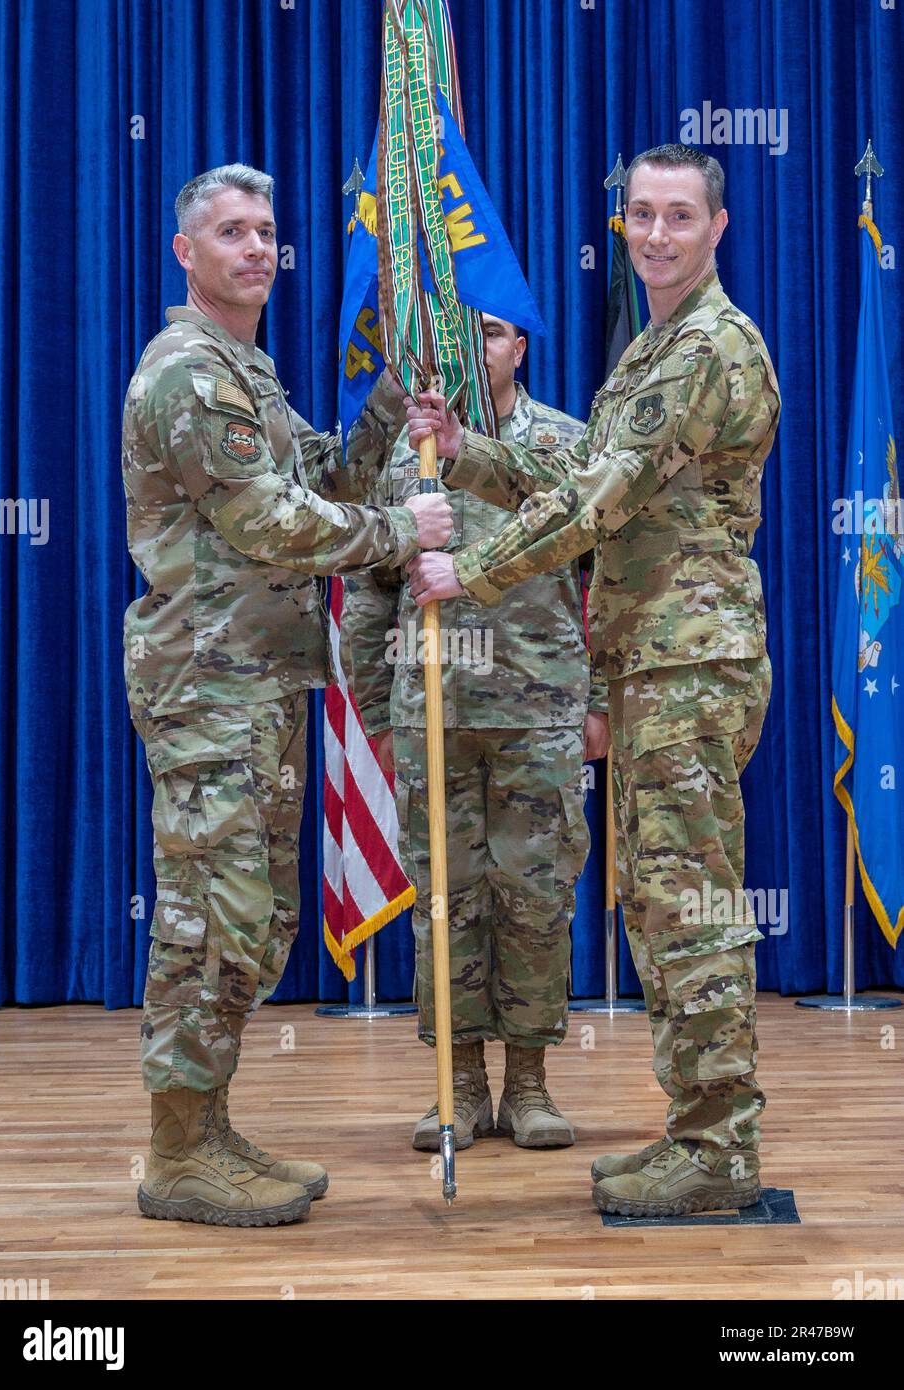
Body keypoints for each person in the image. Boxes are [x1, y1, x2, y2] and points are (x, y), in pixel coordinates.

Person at [404, 144, 782, 1217]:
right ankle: (694, 1134)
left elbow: (596, 505)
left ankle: (717, 1150)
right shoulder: (653, 348)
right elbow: (573, 469)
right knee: (662, 906)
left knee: (689, 907)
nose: (655, 233)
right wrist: (463, 448)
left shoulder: (708, 346)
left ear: (717, 228)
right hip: (653, 659)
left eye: (677, 215)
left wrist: (466, 567)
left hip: (688, 659)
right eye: (639, 215)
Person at [122, 163, 452, 1227]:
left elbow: (317, 472)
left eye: (266, 230)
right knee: (206, 920)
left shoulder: (245, 370)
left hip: (257, 683)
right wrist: (402, 535)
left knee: (250, 921)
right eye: (231, 232)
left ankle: (207, 1128)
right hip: (209, 685)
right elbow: (268, 519)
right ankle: (177, 1152)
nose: (256, 248)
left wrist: (391, 406)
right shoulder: (187, 372)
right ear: (187, 252)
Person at [341, 316, 603, 1152]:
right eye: (460, 333)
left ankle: (527, 1081)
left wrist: (601, 703)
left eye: (493, 332)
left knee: (535, 898)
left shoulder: (565, 443)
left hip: (542, 711)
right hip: (433, 711)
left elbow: (610, 582)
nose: (476, 348)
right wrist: (377, 711)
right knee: (444, 904)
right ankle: (455, 1081)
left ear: (522, 346)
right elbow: (371, 592)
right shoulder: (401, 456)